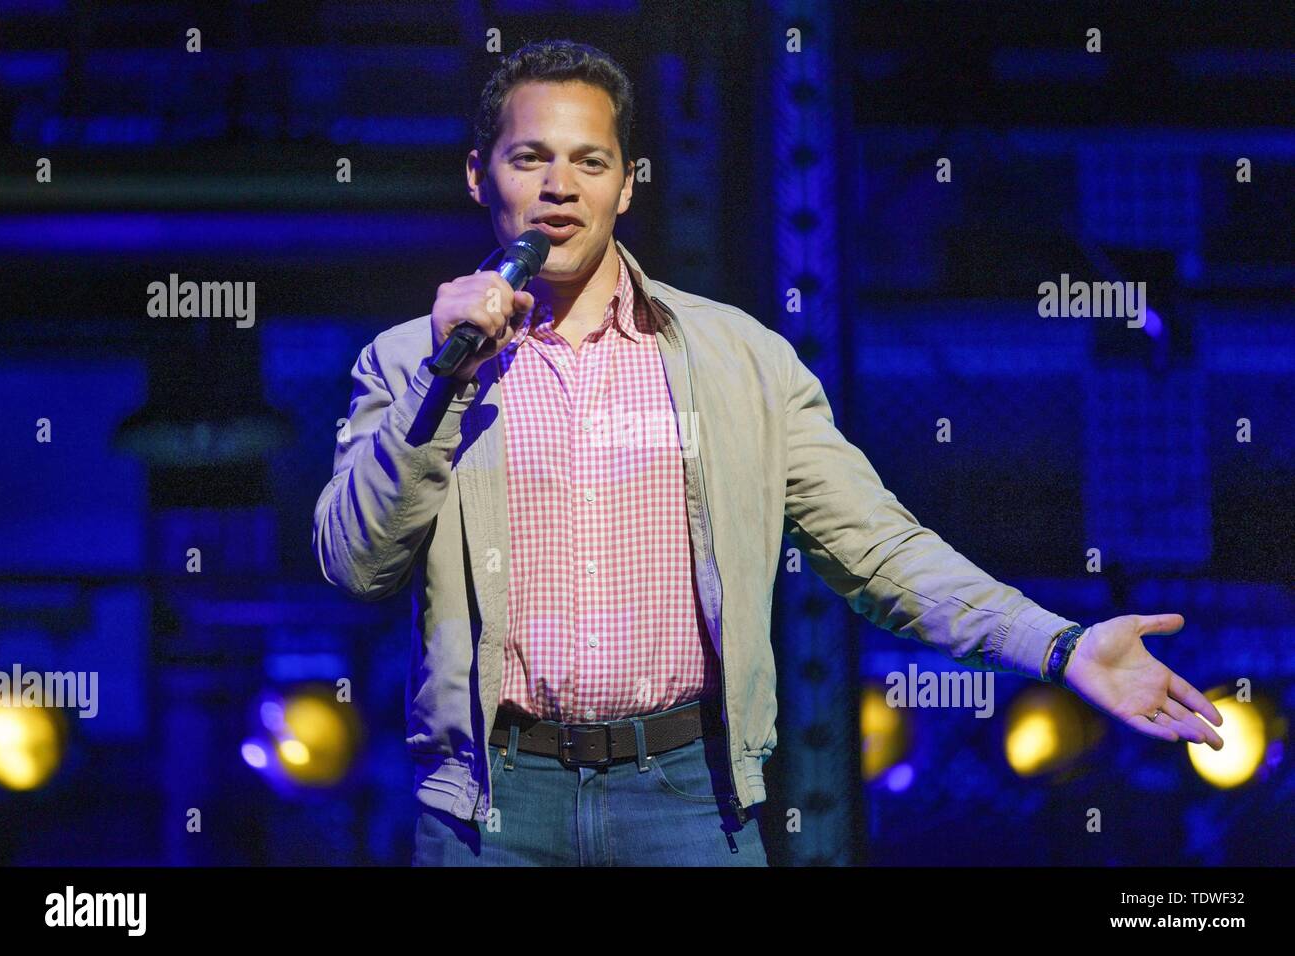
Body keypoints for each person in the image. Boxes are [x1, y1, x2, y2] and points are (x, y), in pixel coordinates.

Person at [312, 39, 1225, 867]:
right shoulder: (407, 360)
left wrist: (1061, 648)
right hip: (489, 810)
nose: (561, 186)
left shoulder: (739, 359)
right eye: (530, 158)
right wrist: (448, 377)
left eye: (590, 161)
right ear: (480, 175)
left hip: (687, 798)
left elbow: (881, 551)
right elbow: (356, 563)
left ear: (626, 185)